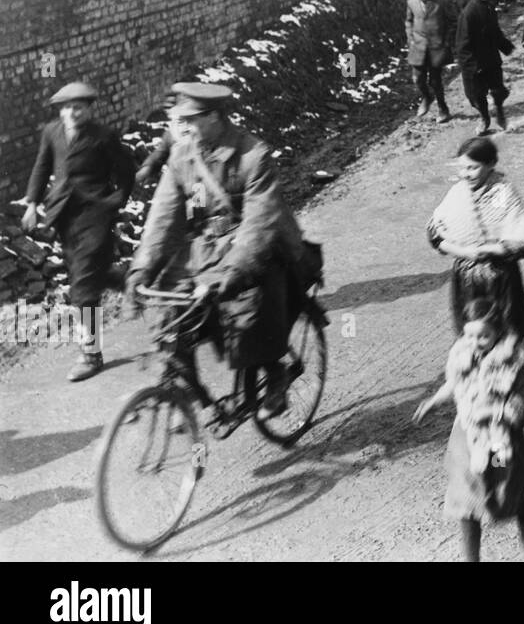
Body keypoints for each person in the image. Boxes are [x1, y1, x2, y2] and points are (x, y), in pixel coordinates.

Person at [126, 83, 309, 424]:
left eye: (191, 120)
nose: (183, 128)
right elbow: (165, 216)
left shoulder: (253, 155)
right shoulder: (183, 157)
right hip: (208, 251)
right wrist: (142, 269)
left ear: (214, 116)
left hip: (260, 248)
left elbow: (259, 222)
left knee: (246, 308)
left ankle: (276, 372)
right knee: (170, 317)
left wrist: (234, 271)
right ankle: (202, 401)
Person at [412, 297, 524, 562]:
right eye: (470, 335)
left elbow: (521, 404)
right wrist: (435, 401)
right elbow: (454, 383)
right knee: (465, 499)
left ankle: (523, 509)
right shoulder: (462, 353)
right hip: (466, 432)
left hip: (499, 439)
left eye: (483, 336)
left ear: (498, 331)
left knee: (501, 492)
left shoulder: (511, 361)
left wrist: (497, 414)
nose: (476, 342)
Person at [22, 82, 136, 381]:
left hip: (95, 216)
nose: (72, 112)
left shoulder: (103, 137)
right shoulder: (51, 132)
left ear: (89, 109)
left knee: (82, 287)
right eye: (67, 107)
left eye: (79, 107)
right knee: (84, 274)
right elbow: (41, 165)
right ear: (60, 110)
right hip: (64, 215)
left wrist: (114, 202)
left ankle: (91, 354)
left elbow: (126, 170)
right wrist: (32, 204)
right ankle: (129, 280)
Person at [427, 136, 524, 351]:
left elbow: (521, 241)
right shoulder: (458, 193)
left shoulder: (501, 193)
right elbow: (435, 233)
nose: (465, 174)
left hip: (499, 276)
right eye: (462, 168)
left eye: (472, 168)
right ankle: (475, 374)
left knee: (507, 327)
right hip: (466, 276)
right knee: (471, 329)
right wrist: (463, 251)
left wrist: (489, 249)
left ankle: (512, 376)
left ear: (490, 164)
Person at [456, 0, 513, 135]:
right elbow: (462, 44)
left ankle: (500, 112)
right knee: (476, 96)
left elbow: (494, 32)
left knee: (498, 89)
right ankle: (484, 118)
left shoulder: (489, 6)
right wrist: (473, 66)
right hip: (476, 64)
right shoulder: (469, 13)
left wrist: (505, 46)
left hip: (491, 59)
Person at [407, 0, 457, 122]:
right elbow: (408, 21)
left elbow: (455, 22)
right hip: (418, 48)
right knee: (418, 79)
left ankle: (443, 109)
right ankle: (427, 98)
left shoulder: (443, 2)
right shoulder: (411, 2)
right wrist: (410, 38)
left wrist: (447, 40)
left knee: (435, 80)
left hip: (437, 48)